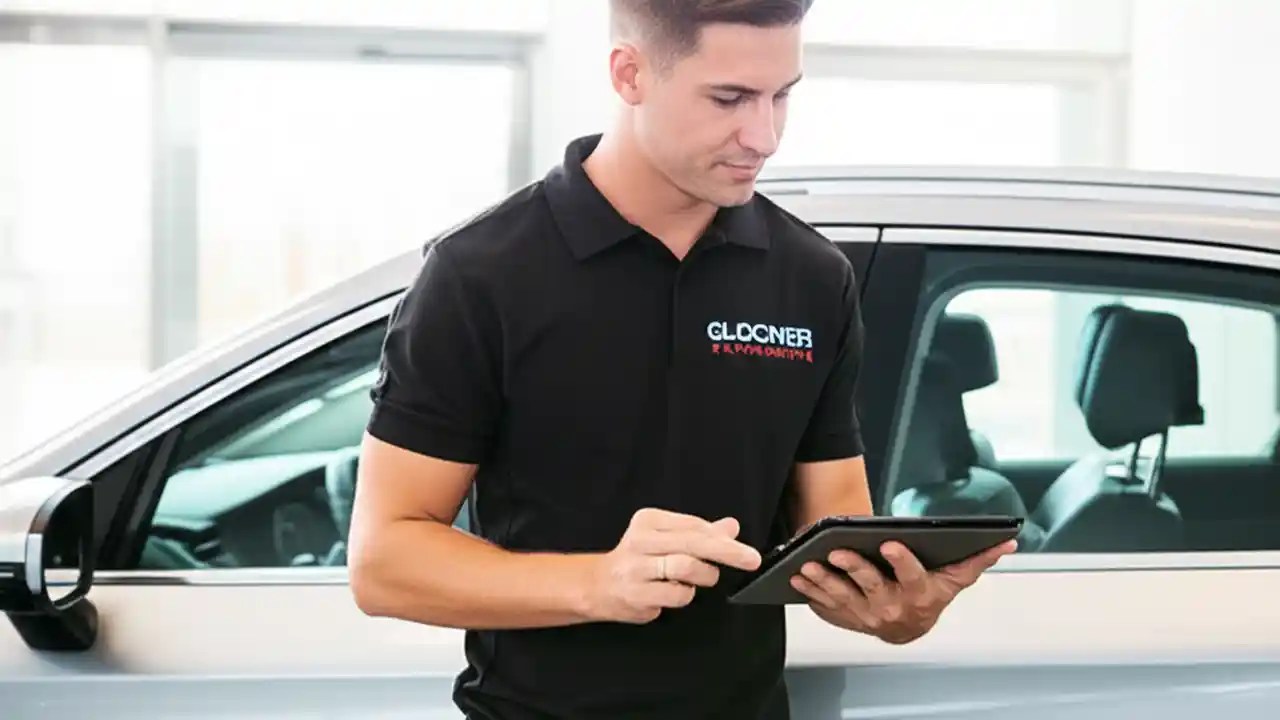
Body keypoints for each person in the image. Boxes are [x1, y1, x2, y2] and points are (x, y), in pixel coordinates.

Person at [347, 1, 1016, 718]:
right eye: (729, 98)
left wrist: (895, 609)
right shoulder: (481, 273)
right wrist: (600, 583)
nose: (764, 136)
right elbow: (385, 563)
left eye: (781, 95)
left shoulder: (813, 278)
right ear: (628, 73)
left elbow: (835, 543)